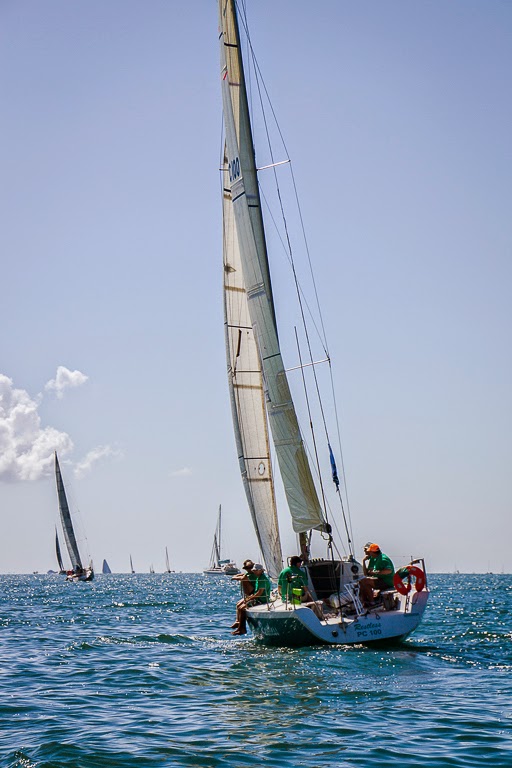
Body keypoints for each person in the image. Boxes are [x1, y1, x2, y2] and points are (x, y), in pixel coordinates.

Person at [232, 564, 271, 636]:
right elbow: (257, 592)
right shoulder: (258, 578)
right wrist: (250, 597)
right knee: (240, 606)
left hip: (261, 600)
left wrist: (250, 598)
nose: (254, 572)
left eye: (256, 571)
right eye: (254, 571)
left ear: (260, 571)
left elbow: (259, 593)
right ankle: (240, 627)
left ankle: (242, 629)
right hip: (258, 598)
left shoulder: (262, 579)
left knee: (242, 608)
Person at [230, 559, 257, 632]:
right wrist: (236, 576)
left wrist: (234, 577)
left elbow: (242, 577)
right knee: (238, 604)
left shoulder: (253, 575)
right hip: (250, 594)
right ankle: (237, 621)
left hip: (253, 593)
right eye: (247, 568)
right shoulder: (248, 574)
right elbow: (241, 575)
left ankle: (242, 628)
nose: (249, 569)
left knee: (242, 608)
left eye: (250, 567)